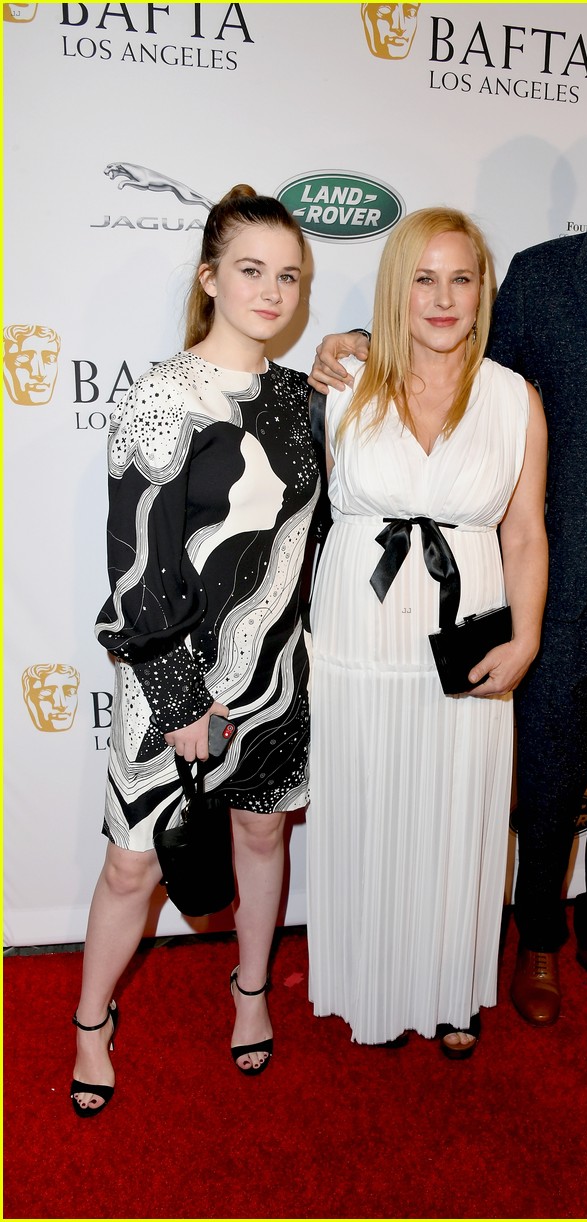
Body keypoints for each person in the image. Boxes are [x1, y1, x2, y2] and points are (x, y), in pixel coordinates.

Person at [308, 59, 587, 1032]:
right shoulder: (540, 278)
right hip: (549, 590)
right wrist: (352, 338)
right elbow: (454, 373)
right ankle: (542, 948)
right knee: (547, 787)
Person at [71, 186, 320, 1116]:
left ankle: (249, 991)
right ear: (211, 278)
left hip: (274, 676)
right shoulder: (158, 400)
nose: (271, 291)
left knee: (261, 834)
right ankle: (92, 1020)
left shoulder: (303, 401)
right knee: (132, 863)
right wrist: (180, 703)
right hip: (168, 680)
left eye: (288, 276)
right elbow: (135, 564)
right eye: (251, 270)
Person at [307, 208, 547, 1057]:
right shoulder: (340, 381)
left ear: (482, 291)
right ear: (395, 289)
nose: (443, 298)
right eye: (423, 277)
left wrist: (523, 639)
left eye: (462, 278)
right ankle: (371, 981)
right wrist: (331, 346)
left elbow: (523, 532)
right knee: (367, 808)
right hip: (355, 642)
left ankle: (450, 989)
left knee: (458, 813)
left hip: (468, 637)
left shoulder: (514, 397)